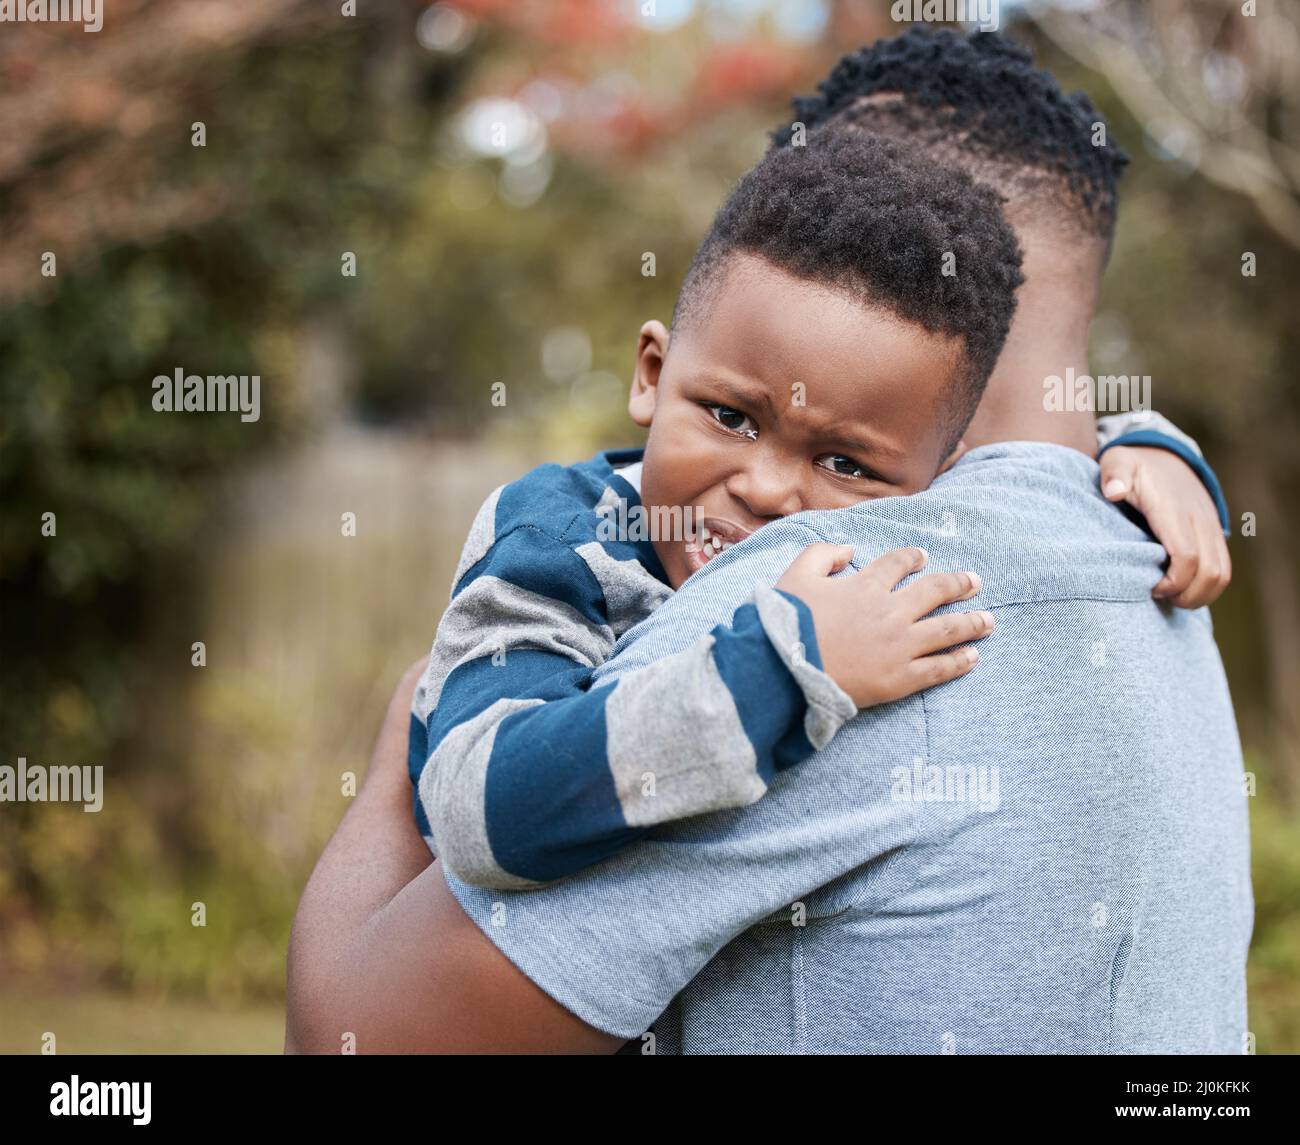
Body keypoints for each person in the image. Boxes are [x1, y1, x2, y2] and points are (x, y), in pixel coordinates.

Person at [284, 30, 1247, 1053]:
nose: (772, 490)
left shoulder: (811, 605)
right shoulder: (1159, 562)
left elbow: (357, 1037)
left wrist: (405, 728)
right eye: (733, 416)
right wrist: (1149, 442)